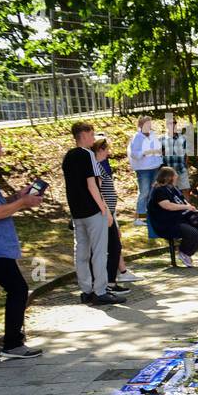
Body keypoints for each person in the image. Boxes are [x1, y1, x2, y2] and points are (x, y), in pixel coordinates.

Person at [0, 134, 44, 357]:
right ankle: (13, 343)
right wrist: (23, 202)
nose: (1, 152)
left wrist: (16, 197)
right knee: (18, 289)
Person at [63, 122, 123, 305]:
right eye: (92, 134)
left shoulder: (68, 157)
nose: (93, 137)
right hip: (92, 210)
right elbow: (93, 185)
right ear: (86, 134)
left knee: (81, 252)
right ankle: (100, 290)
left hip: (77, 211)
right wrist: (104, 208)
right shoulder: (88, 154)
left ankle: (86, 290)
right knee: (98, 251)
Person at [92, 136, 132, 296]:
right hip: (104, 212)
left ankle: (110, 281)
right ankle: (108, 282)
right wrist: (108, 212)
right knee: (113, 247)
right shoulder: (96, 166)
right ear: (100, 149)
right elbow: (99, 191)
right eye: (106, 149)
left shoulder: (99, 165)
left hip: (109, 211)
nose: (108, 152)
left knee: (114, 245)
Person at [150, 166, 198, 267]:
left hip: (181, 219)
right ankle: (183, 251)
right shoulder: (159, 190)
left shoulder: (174, 189)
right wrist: (186, 207)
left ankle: (186, 253)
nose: (177, 176)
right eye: (175, 174)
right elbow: (168, 206)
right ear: (169, 177)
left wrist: (192, 209)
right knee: (192, 233)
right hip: (167, 224)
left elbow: (184, 202)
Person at [128, 115, 162, 226]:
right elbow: (133, 154)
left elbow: (159, 148)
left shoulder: (153, 135)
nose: (149, 125)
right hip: (143, 170)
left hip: (155, 167)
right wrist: (144, 153)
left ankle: (149, 216)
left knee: (152, 193)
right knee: (144, 192)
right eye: (146, 124)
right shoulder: (137, 137)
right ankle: (140, 218)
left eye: (150, 123)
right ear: (140, 125)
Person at [162, 117, 189, 190]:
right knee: (170, 191)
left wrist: (185, 165)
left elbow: (186, 153)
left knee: (185, 190)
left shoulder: (183, 138)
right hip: (168, 171)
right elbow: (159, 155)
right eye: (170, 123)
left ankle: (186, 202)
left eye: (174, 123)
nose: (173, 125)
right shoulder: (161, 139)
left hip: (181, 169)